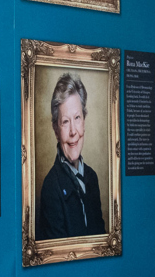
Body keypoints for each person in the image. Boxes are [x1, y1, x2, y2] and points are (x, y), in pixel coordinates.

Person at [36, 73, 106, 239]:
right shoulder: (51, 187)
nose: (73, 131)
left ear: (84, 122)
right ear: (56, 130)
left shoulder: (92, 177)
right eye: (65, 122)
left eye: (77, 118)